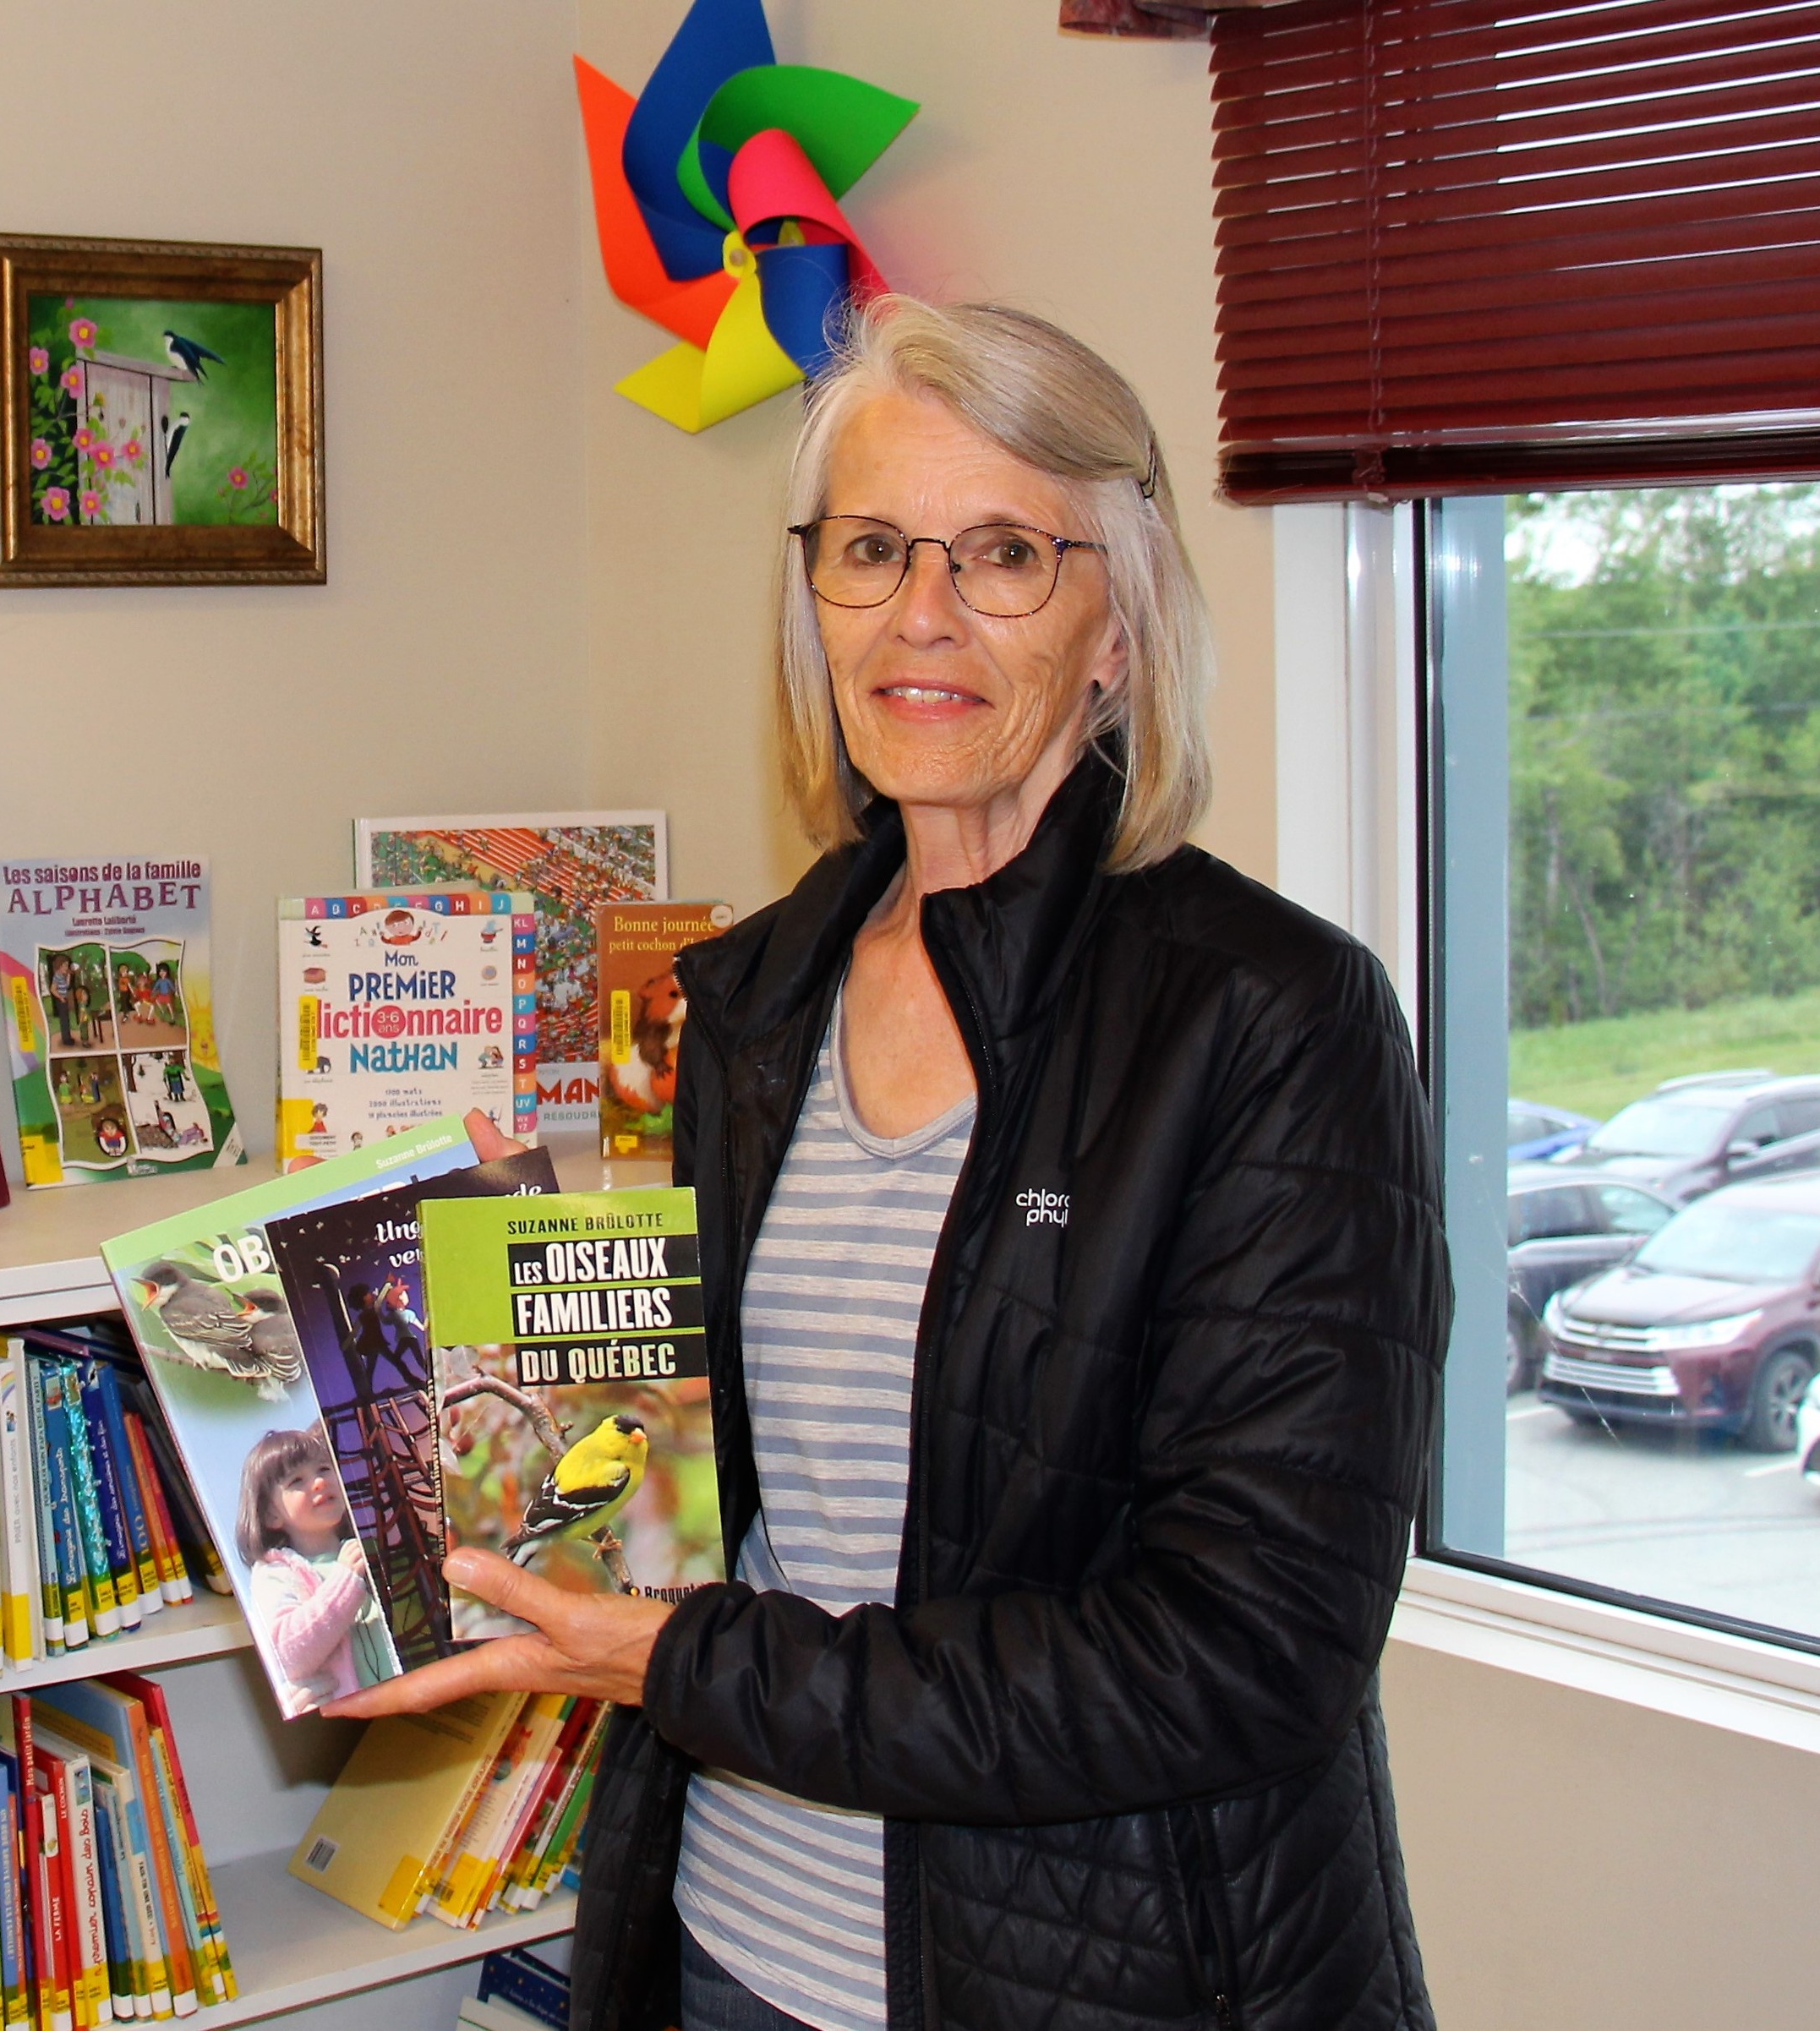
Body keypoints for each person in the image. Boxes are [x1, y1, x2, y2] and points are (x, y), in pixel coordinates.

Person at [329, 298, 1446, 2031]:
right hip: (722, 1948)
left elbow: (1247, 1648)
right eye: (869, 549)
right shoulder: (749, 995)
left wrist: (686, 1662)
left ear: (1117, 630)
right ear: (815, 601)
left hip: (1099, 1981)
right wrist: (533, 1309)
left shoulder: (1270, 1020)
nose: (920, 613)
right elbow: (709, 1508)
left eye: (1002, 551)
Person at [234, 1423, 398, 1716]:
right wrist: (345, 1580)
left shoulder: (370, 1546)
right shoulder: (276, 1571)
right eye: (297, 1481)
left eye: (324, 1469)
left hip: (407, 1698)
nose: (319, 1483)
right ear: (271, 1514)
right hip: (352, 1718)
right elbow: (289, 1653)